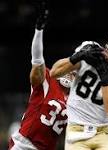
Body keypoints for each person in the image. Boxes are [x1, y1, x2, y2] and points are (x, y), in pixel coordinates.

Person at [50, 31, 108, 150]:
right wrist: (77, 57)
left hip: (104, 132)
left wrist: (105, 78)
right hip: (77, 129)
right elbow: (54, 73)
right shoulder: (92, 51)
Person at [8, 2, 75, 150]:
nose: (70, 74)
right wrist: (39, 29)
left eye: (74, 72)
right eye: (68, 70)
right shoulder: (48, 81)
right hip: (24, 144)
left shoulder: (76, 99)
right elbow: (37, 60)